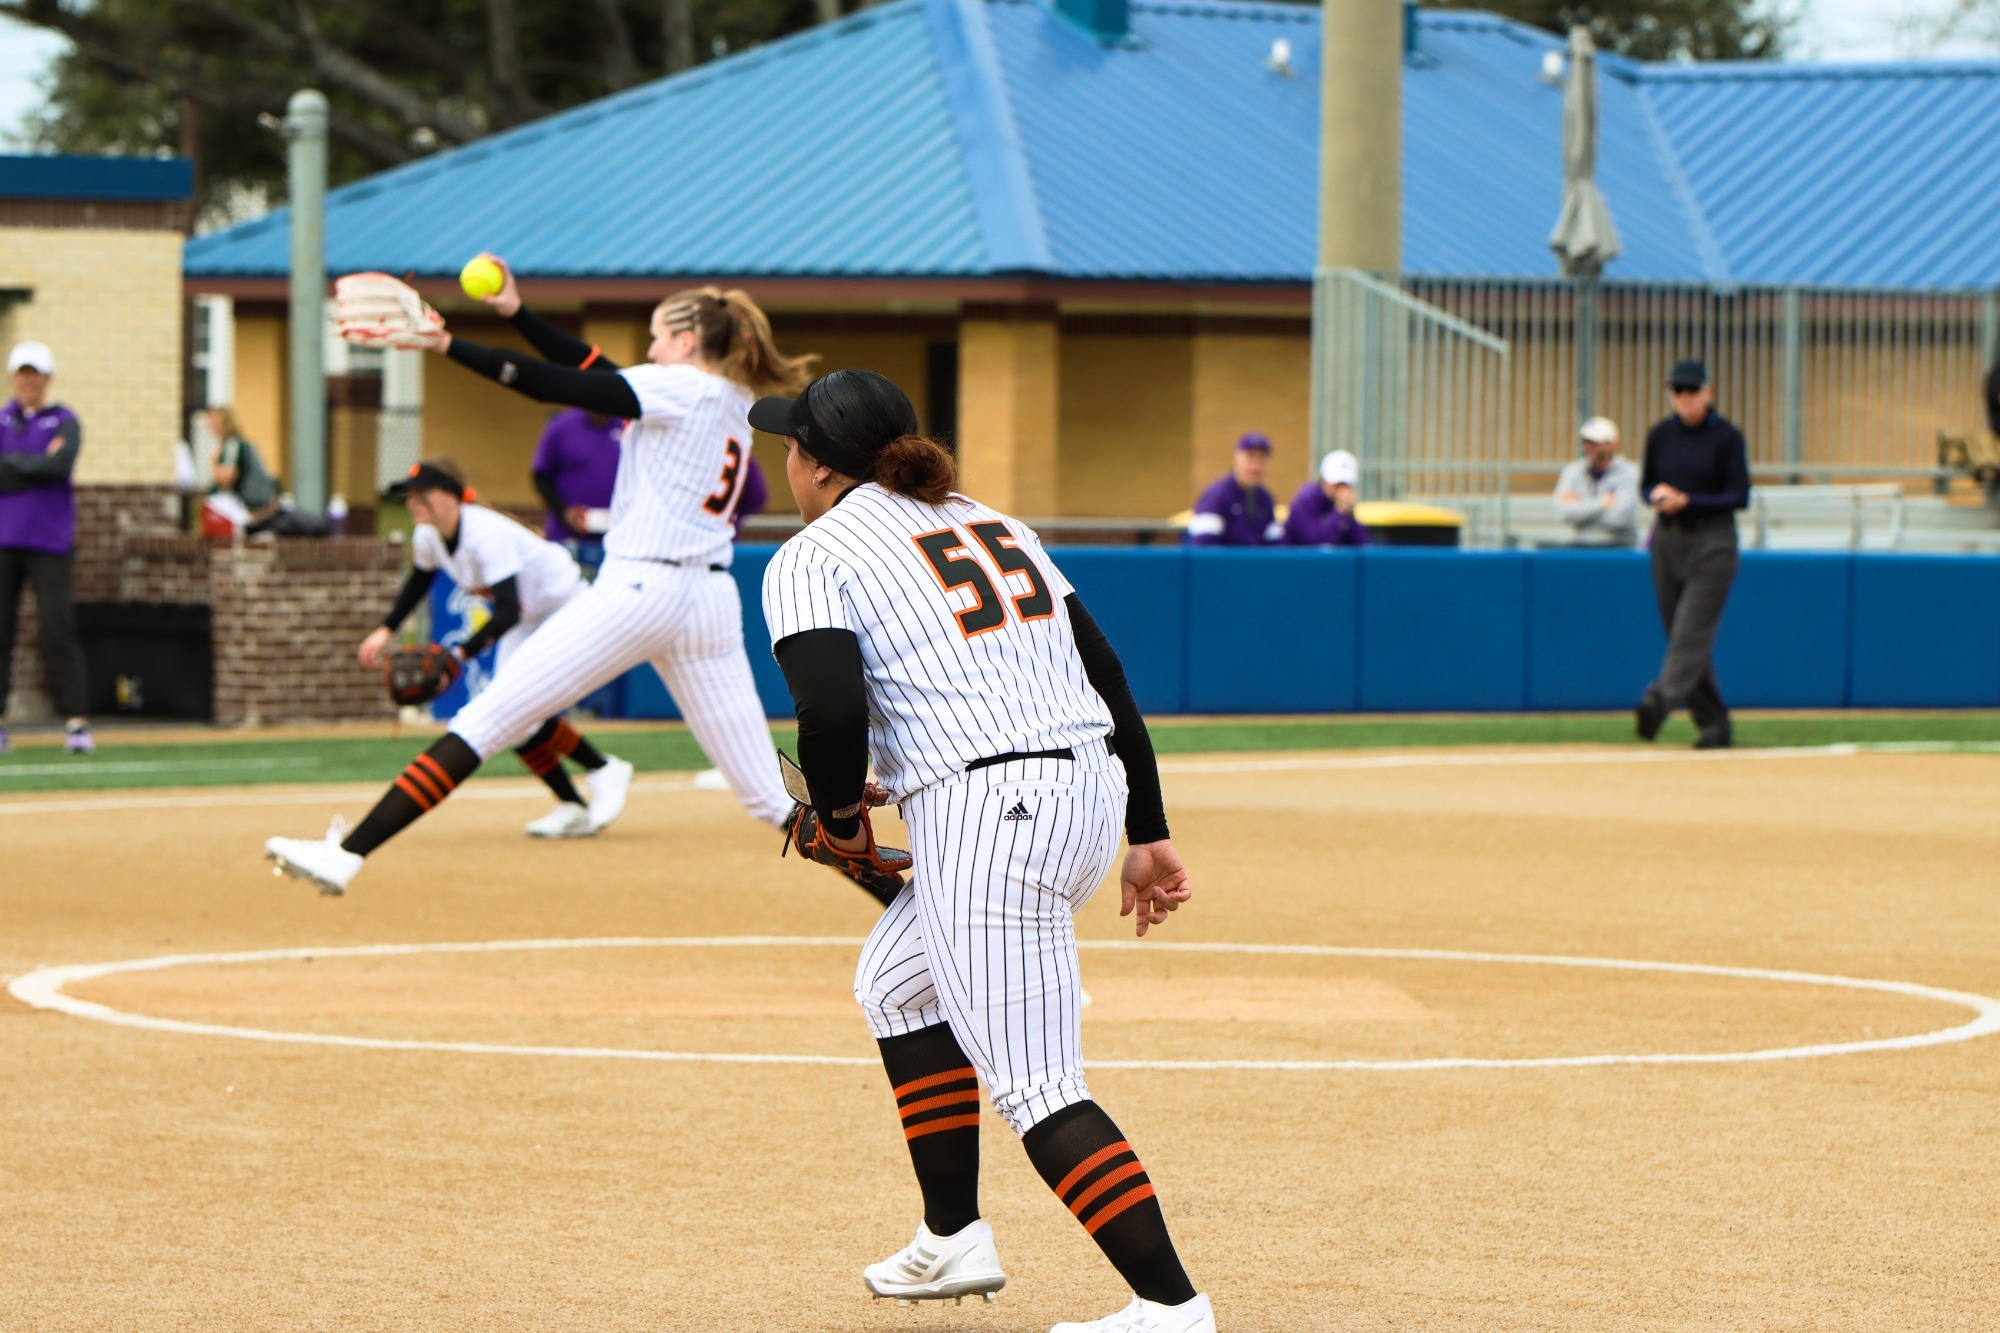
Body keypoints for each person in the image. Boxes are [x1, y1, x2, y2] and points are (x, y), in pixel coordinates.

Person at [756, 369, 1214, 1333]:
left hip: (992, 815)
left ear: (822, 464)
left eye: (789, 444)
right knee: (895, 982)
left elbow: (830, 710)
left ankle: (1172, 1307)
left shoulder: (811, 553)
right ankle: (954, 1233)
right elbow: (1105, 674)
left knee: (1039, 1085)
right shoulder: (990, 521)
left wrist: (838, 819)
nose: (782, 458)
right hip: (1083, 792)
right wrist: (1148, 830)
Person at [264, 260, 809, 896]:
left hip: (643, 589)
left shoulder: (677, 389)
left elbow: (554, 383)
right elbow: (592, 369)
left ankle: (348, 854)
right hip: (708, 599)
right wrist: (515, 313)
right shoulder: (729, 401)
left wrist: (446, 344)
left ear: (686, 343)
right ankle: (911, 904)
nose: (651, 350)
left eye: (660, 337)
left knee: (487, 716)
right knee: (773, 800)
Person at [364, 457, 630, 839]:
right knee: (510, 711)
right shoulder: (427, 535)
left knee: (520, 705)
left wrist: (459, 655)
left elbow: (503, 611)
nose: (413, 502)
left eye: (423, 493)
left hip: (567, 606)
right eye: (410, 495)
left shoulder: (484, 534)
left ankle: (604, 768)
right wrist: (384, 630)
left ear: (453, 498)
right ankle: (571, 803)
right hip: (528, 616)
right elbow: (419, 583)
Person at [1636, 359, 1750, 750]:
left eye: (1692, 390)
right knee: (1680, 633)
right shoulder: (1660, 435)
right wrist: (1656, 496)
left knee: (1690, 629)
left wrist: (1690, 501)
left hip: (1712, 542)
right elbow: (1646, 483)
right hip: (1667, 540)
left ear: (1708, 391)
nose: (1684, 398)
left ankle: (1660, 698)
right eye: (1678, 391)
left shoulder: (1726, 437)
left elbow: (1739, 495)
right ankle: (1715, 725)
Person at [0, 341, 91, 755]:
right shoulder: (3, 418)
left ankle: (75, 723)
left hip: (50, 542)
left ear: (47, 378)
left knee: (58, 629)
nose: (27, 382)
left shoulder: (64, 420)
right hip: (5, 540)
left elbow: (60, 465)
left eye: (34, 374)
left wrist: (14, 465)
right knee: (2, 633)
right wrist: (34, 466)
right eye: (22, 374)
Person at [530, 405, 622, 576]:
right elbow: (540, 476)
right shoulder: (561, 427)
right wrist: (564, 512)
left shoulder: (625, 427)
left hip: (617, 540)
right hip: (568, 539)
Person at [1553, 416, 1641, 547]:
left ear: (1612, 444)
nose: (1590, 447)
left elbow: (1622, 519)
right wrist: (1602, 504)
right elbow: (1563, 513)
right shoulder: (1572, 471)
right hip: (1581, 545)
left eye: (1596, 442)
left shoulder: (1629, 473)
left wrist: (1580, 508)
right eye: (1586, 442)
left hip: (1620, 547)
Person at [1188, 432, 1281, 546]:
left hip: (1254, 563)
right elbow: (1204, 546)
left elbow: (1275, 546)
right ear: (1236, 458)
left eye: (1262, 458)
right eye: (1250, 457)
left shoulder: (1265, 499)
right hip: (1224, 563)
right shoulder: (1218, 495)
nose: (1256, 466)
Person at [206, 406, 284, 528]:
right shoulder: (225, 443)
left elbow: (227, 479)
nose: (210, 424)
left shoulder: (232, 444)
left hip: (242, 506)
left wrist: (214, 463)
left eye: (215, 421)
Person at [1283, 448, 1370, 546]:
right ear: (1323, 479)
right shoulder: (1305, 501)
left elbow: (1360, 542)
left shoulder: (1341, 506)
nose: (1341, 489)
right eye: (1336, 483)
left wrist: (1348, 512)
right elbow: (1315, 542)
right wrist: (1339, 511)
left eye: (1345, 484)